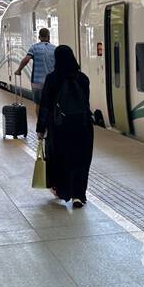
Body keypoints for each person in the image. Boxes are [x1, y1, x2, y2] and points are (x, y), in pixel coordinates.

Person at [36, 45, 93, 208]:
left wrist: (41, 128)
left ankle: (64, 191)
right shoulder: (83, 78)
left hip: (60, 128)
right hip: (83, 127)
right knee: (81, 161)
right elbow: (85, 103)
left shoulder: (52, 78)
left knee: (62, 160)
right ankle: (78, 195)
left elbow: (45, 105)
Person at [15, 28, 55, 103]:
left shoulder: (34, 47)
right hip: (51, 82)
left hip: (37, 82)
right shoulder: (54, 48)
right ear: (49, 37)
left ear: (39, 37)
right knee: (51, 103)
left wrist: (19, 70)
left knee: (38, 104)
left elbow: (26, 59)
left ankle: (40, 115)